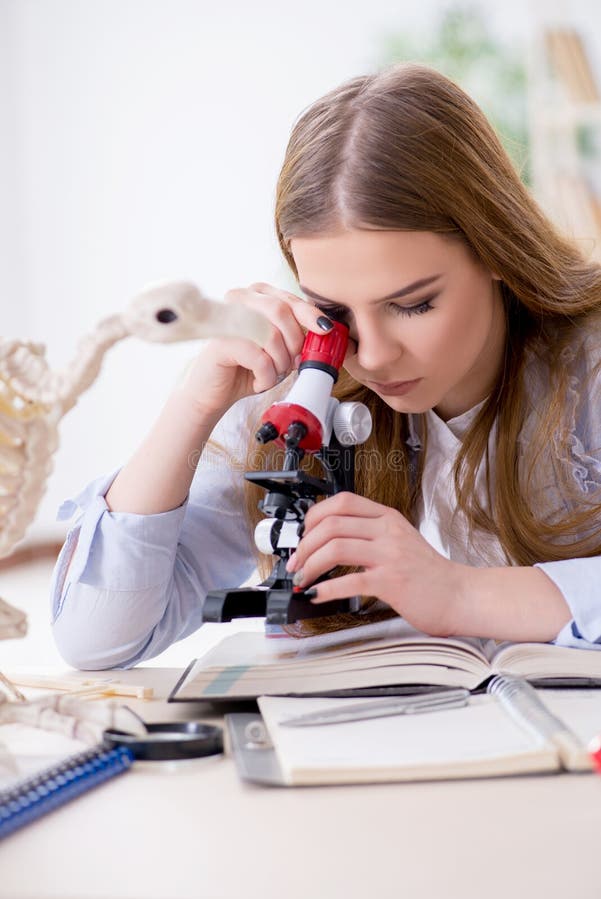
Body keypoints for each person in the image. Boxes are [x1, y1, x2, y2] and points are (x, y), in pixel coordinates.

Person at [50, 63, 601, 670]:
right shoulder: (306, 386)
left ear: (497, 247)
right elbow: (98, 639)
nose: (372, 354)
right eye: (333, 310)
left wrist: (461, 593)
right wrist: (195, 402)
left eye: (413, 304)